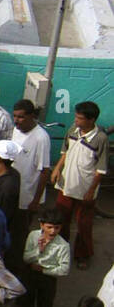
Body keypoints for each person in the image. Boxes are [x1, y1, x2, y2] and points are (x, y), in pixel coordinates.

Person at [51, 100, 106, 270]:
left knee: (83, 224)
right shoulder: (72, 131)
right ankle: (61, 250)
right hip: (66, 186)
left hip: (85, 191)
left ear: (91, 120)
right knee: (61, 221)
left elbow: (100, 170)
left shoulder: (100, 138)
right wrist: (57, 169)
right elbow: (65, 152)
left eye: (80, 118)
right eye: (76, 117)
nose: (76, 120)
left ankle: (82, 255)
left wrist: (91, 190)